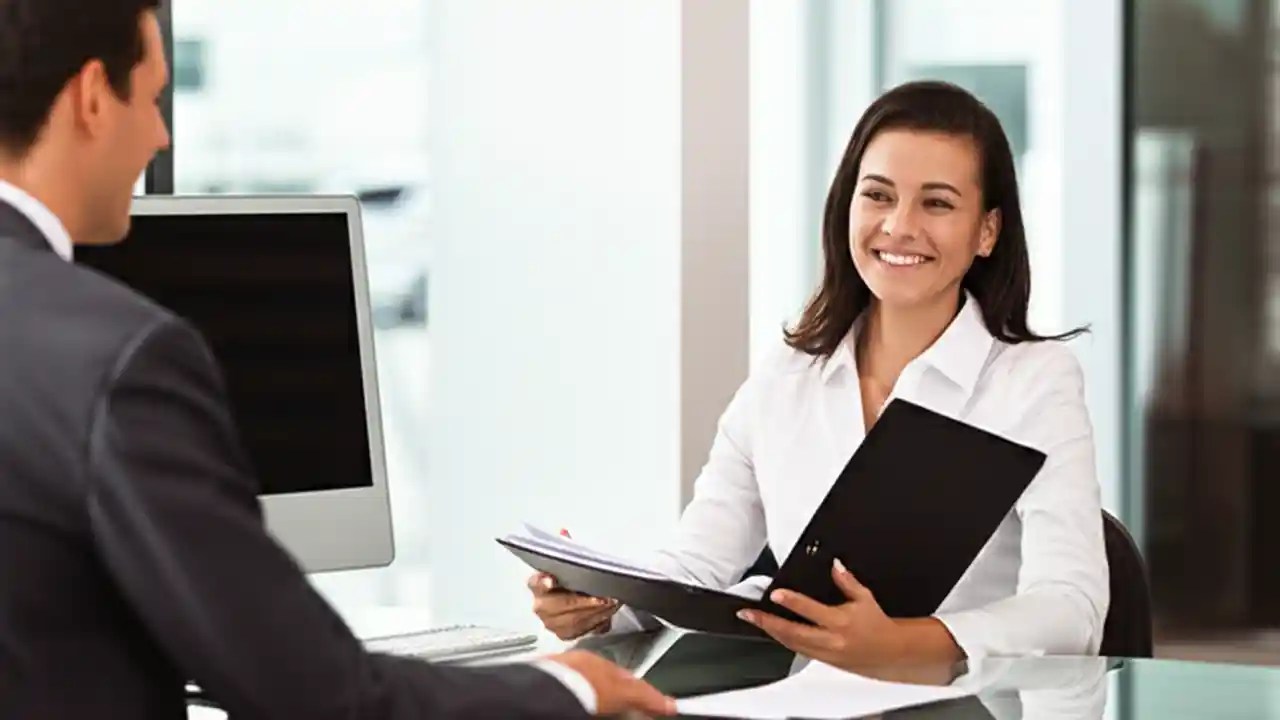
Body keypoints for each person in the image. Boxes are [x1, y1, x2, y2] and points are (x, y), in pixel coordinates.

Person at [0, 1, 674, 717]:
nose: (160, 135)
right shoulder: (120, 354)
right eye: (152, 98)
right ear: (92, 97)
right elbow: (314, 691)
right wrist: (572, 686)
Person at [530, 81, 1110, 669]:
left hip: (973, 700)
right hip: (804, 699)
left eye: (937, 204)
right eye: (878, 195)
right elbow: (696, 566)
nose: (899, 225)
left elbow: (1072, 606)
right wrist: (601, 604)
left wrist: (906, 644)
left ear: (987, 231)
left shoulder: (1035, 381)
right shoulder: (786, 378)